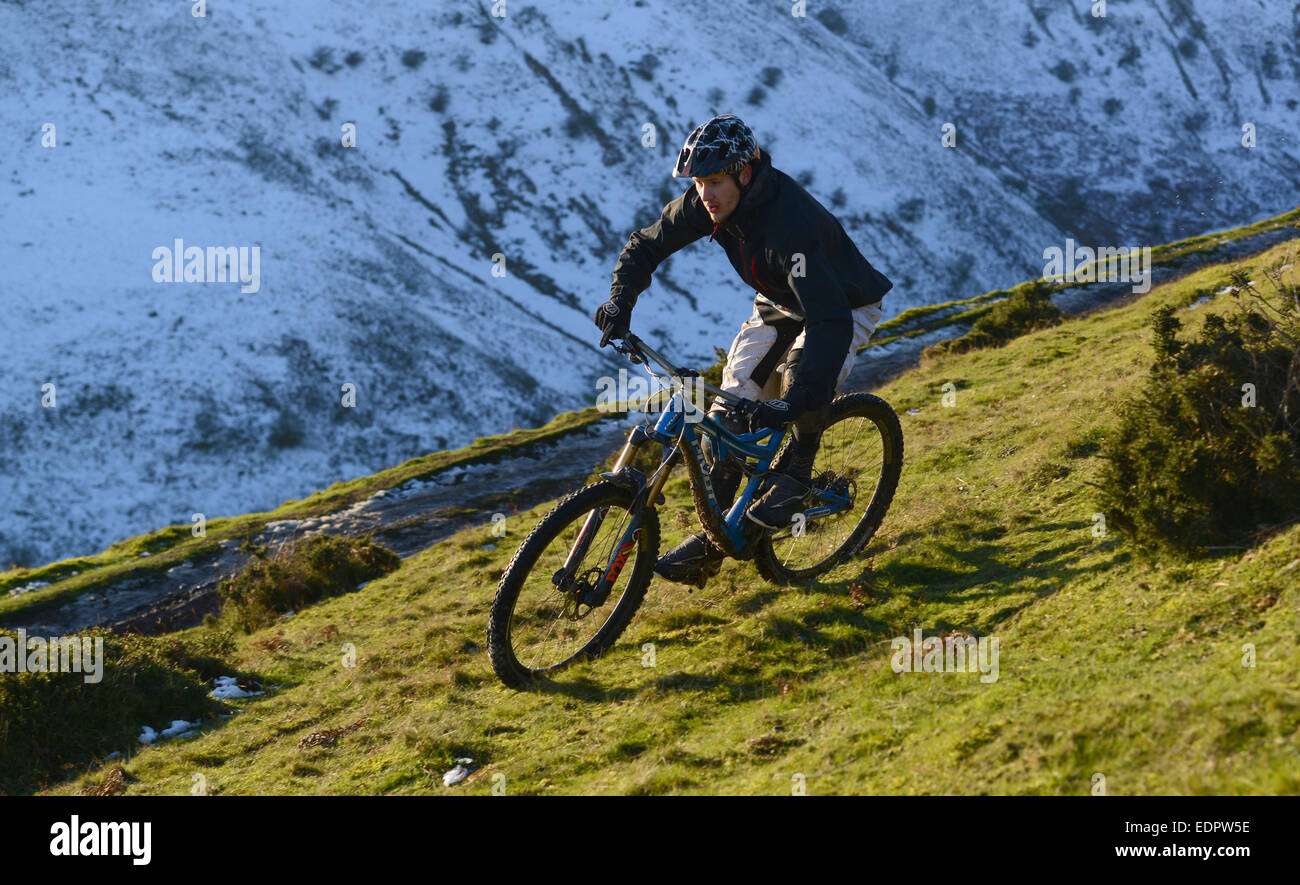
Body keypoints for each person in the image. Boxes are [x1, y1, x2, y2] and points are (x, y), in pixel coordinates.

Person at [594, 114, 892, 587]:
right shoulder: (708, 202)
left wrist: (791, 403)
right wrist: (619, 303)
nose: (704, 194)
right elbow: (644, 246)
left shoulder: (788, 226)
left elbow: (829, 320)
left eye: (714, 181)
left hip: (841, 303)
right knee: (730, 412)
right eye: (698, 183)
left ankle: (796, 474)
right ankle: (718, 541)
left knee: (799, 382)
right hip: (780, 300)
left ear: (744, 174)